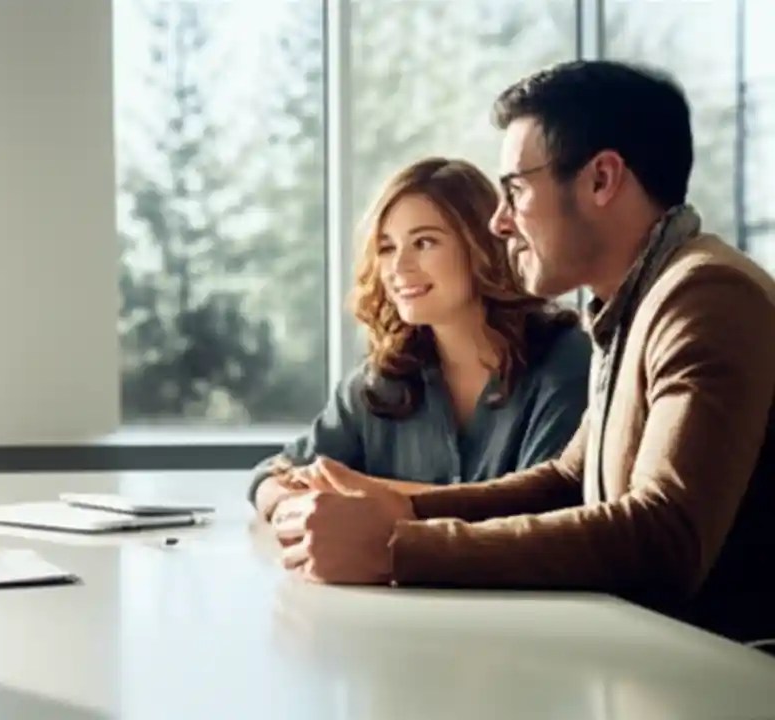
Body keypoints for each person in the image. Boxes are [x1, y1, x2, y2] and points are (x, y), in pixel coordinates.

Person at [270, 60, 775, 646]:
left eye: (515, 188)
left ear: (602, 179)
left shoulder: (705, 295)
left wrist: (395, 549)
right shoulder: (635, 306)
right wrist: (402, 510)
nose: (500, 221)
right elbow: (568, 480)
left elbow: (663, 537)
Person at [251, 157, 589, 521]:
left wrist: (371, 493)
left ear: (482, 246)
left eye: (424, 242)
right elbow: (270, 476)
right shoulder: (378, 385)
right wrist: (295, 503)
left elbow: (544, 510)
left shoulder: (565, 361)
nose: (399, 268)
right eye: (387, 247)